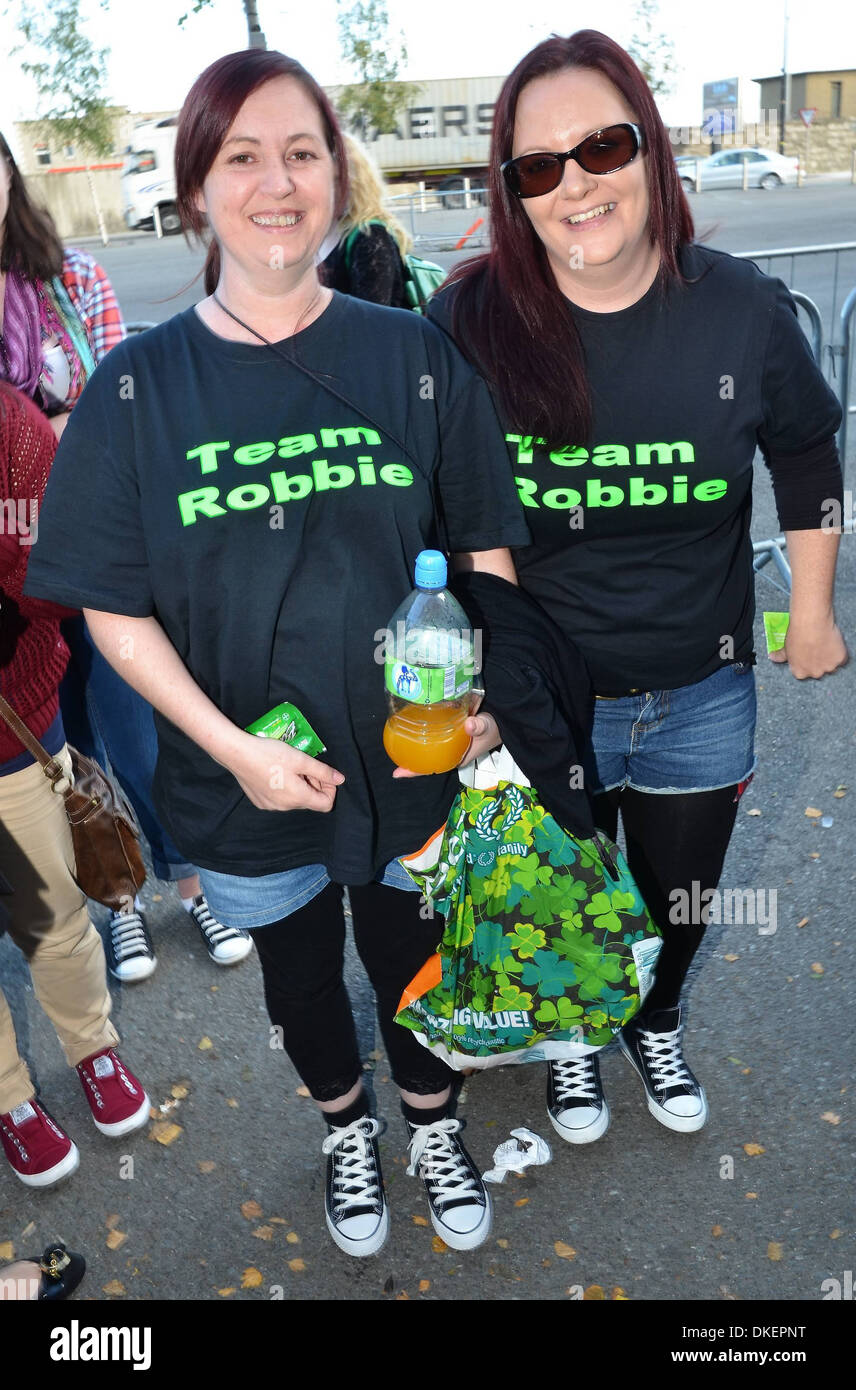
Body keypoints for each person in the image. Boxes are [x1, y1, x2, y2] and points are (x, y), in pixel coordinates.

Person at [24, 49, 531, 1257]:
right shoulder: (140, 387)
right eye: (239, 155)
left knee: (414, 957)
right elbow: (111, 609)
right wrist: (229, 748)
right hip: (243, 781)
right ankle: (346, 1128)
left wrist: (490, 701)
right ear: (195, 188)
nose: (276, 181)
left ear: (337, 177)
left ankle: (430, 1117)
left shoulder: (409, 355)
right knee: (302, 979)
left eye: (302, 151)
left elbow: (485, 549)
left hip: (416, 756)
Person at [427, 30, 847, 1141]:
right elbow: (428, 499)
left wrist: (809, 607)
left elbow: (806, 451)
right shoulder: (465, 323)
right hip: (539, 690)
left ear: (648, 151)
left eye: (601, 146)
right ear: (512, 195)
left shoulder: (741, 310)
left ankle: (651, 1017)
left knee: (682, 898)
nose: (575, 182)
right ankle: (573, 1033)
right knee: (561, 892)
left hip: (699, 689)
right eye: (537, 165)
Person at [0, 130, 252, 979]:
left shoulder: (71, 279)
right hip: (13, 584)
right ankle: (119, 901)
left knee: (137, 736)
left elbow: (124, 413)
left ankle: (192, 881)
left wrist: (47, 436)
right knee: (60, 757)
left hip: (105, 552)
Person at [0, 380, 149, 1187]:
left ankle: (93, 1048)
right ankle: (10, 1099)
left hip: (14, 727)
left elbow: (63, 567)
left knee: (53, 918)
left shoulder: (10, 424)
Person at [319, 133, 412, 307]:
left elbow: (372, 319)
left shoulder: (371, 236)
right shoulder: (322, 232)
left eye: (330, 181)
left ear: (352, 182)